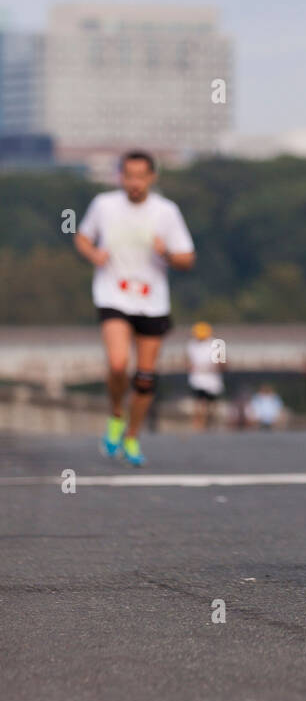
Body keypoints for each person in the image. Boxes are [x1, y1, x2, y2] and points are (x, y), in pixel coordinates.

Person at [73, 150, 196, 467]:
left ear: (152, 177)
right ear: (120, 177)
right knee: (117, 364)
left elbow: (187, 258)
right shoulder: (104, 205)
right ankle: (116, 414)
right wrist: (94, 254)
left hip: (152, 300)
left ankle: (132, 435)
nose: (135, 183)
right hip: (113, 294)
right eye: (129, 176)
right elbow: (82, 237)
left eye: (141, 176)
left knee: (144, 379)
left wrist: (166, 253)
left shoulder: (167, 212)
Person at [187, 322, 224, 430]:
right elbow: (188, 361)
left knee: (211, 404)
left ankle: (210, 422)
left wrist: (215, 366)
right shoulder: (191, 344)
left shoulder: (217, 344)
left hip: (212, 379)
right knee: (199, 402)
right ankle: (199, 424)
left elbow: (223, 363)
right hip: (197, 378)